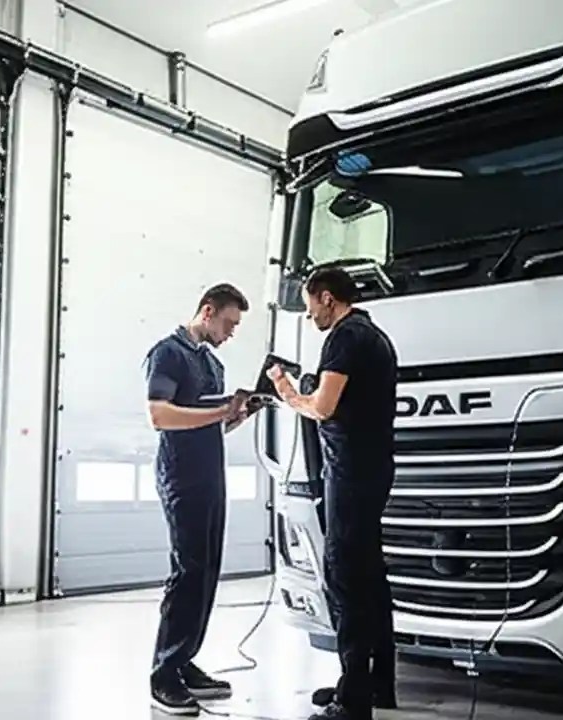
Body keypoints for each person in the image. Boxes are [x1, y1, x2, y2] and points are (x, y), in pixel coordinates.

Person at [268, 266, 399, 720]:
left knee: (345, 576)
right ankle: (375, 683)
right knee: (371, 577)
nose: (309, 316)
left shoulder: (344, 337)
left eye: (310, 306)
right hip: (373, 469)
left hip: (350, 473)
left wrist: (285, 390)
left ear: (327, 298)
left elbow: (322, 407)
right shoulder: (375, 336)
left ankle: (353, 702)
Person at [144, 283, 254, 716]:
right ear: (207, 312)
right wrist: (220, 412)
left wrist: (239, 414)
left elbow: (211, 425)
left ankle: (184, 660)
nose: (231, 333)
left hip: (211, 475)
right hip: (182, 478)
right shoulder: (167, 353)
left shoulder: (212, 362)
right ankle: (163, 675)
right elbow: (160, 414)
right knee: (187, 572)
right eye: (229, 323)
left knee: (207, 571)